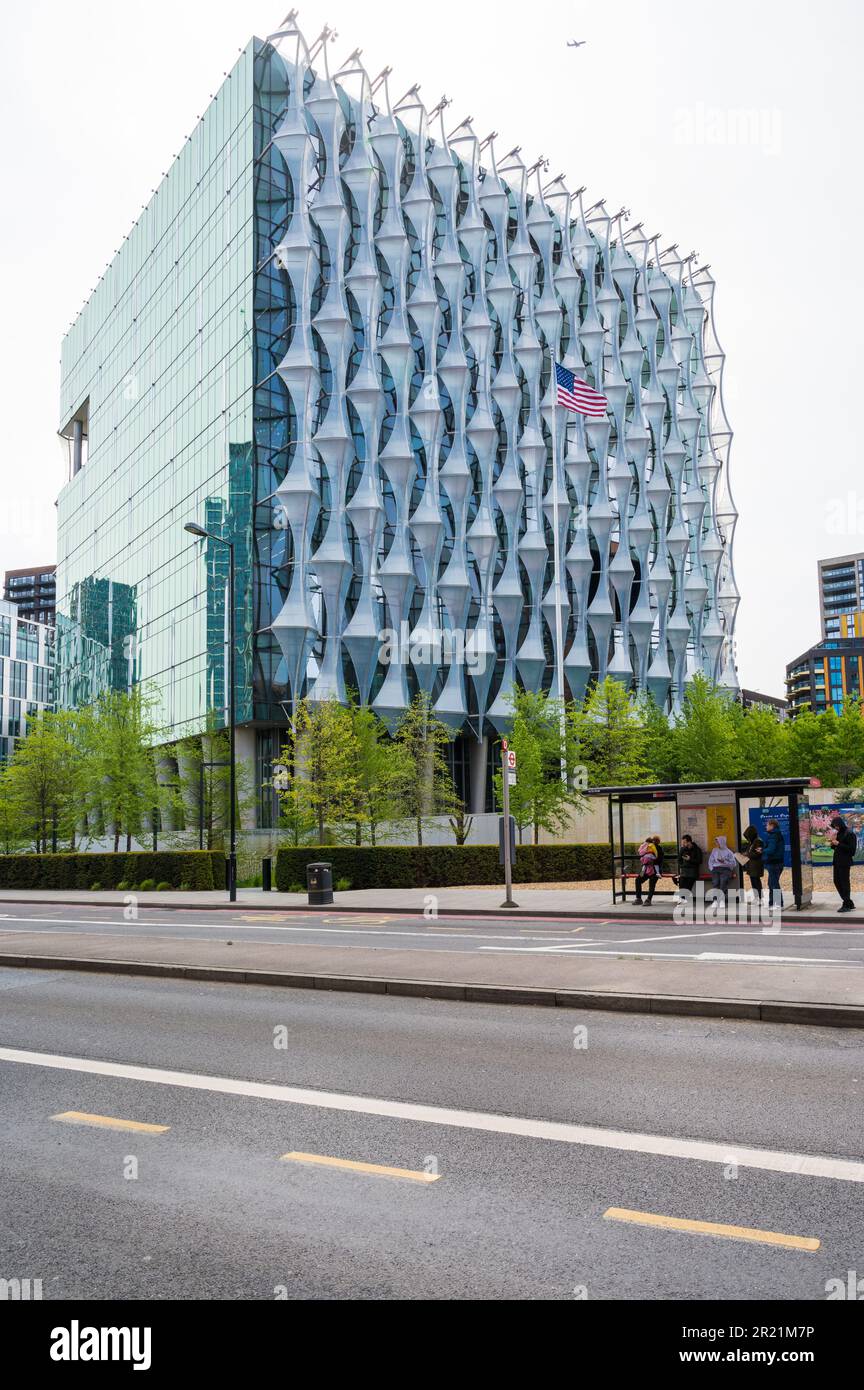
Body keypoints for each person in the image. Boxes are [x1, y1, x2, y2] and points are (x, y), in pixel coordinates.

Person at [829, 814, 857, 913]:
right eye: (834, 826)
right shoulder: (838, 833)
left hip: (845, 862)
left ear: (840, 823)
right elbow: (835, 848)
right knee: (836, 881)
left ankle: (846, 904)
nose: (836, 828)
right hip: (837, 862)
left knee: (844, 883)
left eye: (836, 825)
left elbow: (852, 850)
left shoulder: (849, 834)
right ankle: (848, 902)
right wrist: (832, 843)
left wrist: (839, 844)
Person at [762, 817, 786, 909]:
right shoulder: (776, 834)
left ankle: (778, 904)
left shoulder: (773, 835)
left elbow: (771, 850)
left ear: (772, 826)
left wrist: (762, 850)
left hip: (774, 863)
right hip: (777, 863)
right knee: (771, 883)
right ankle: (772, 903)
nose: (766, 826)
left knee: (774, 884)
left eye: (767, 825)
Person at [634, 835, 664, 905]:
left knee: (652, 882)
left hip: (655, 870)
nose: (653, 842)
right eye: (652, 840)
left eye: (654, 841)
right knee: (638, 880)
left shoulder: (659, 849)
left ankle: (648, 899)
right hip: (645, 869)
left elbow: (660, 860)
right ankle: (638, 898)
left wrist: (652, 862)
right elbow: (642, 856)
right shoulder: (647, 847)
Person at [708, 835, 738, 901]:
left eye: (717, 842)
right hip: (716, 869)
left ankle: (721, 899)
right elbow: (710, 860)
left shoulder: (729, 852)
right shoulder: (714, 850)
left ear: (722, 842)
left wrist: (724, 861)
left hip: (725, 869)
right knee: (715, 882)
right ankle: (715, 900)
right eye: (716, 842)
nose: (716, 844)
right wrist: (712, 868)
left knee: (723, 882)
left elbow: (733, 863)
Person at [741, 824, 765, 902]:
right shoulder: (752, 842)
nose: (747, 838)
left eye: (748, 836)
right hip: (751, 865)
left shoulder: (758, 841)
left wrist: (747, 854)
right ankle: (756, 897)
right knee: (753, 882)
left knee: (756, 882)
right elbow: (750, 852)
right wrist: (745, 854)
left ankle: (760, 898)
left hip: (756, 865)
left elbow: (758, 853)